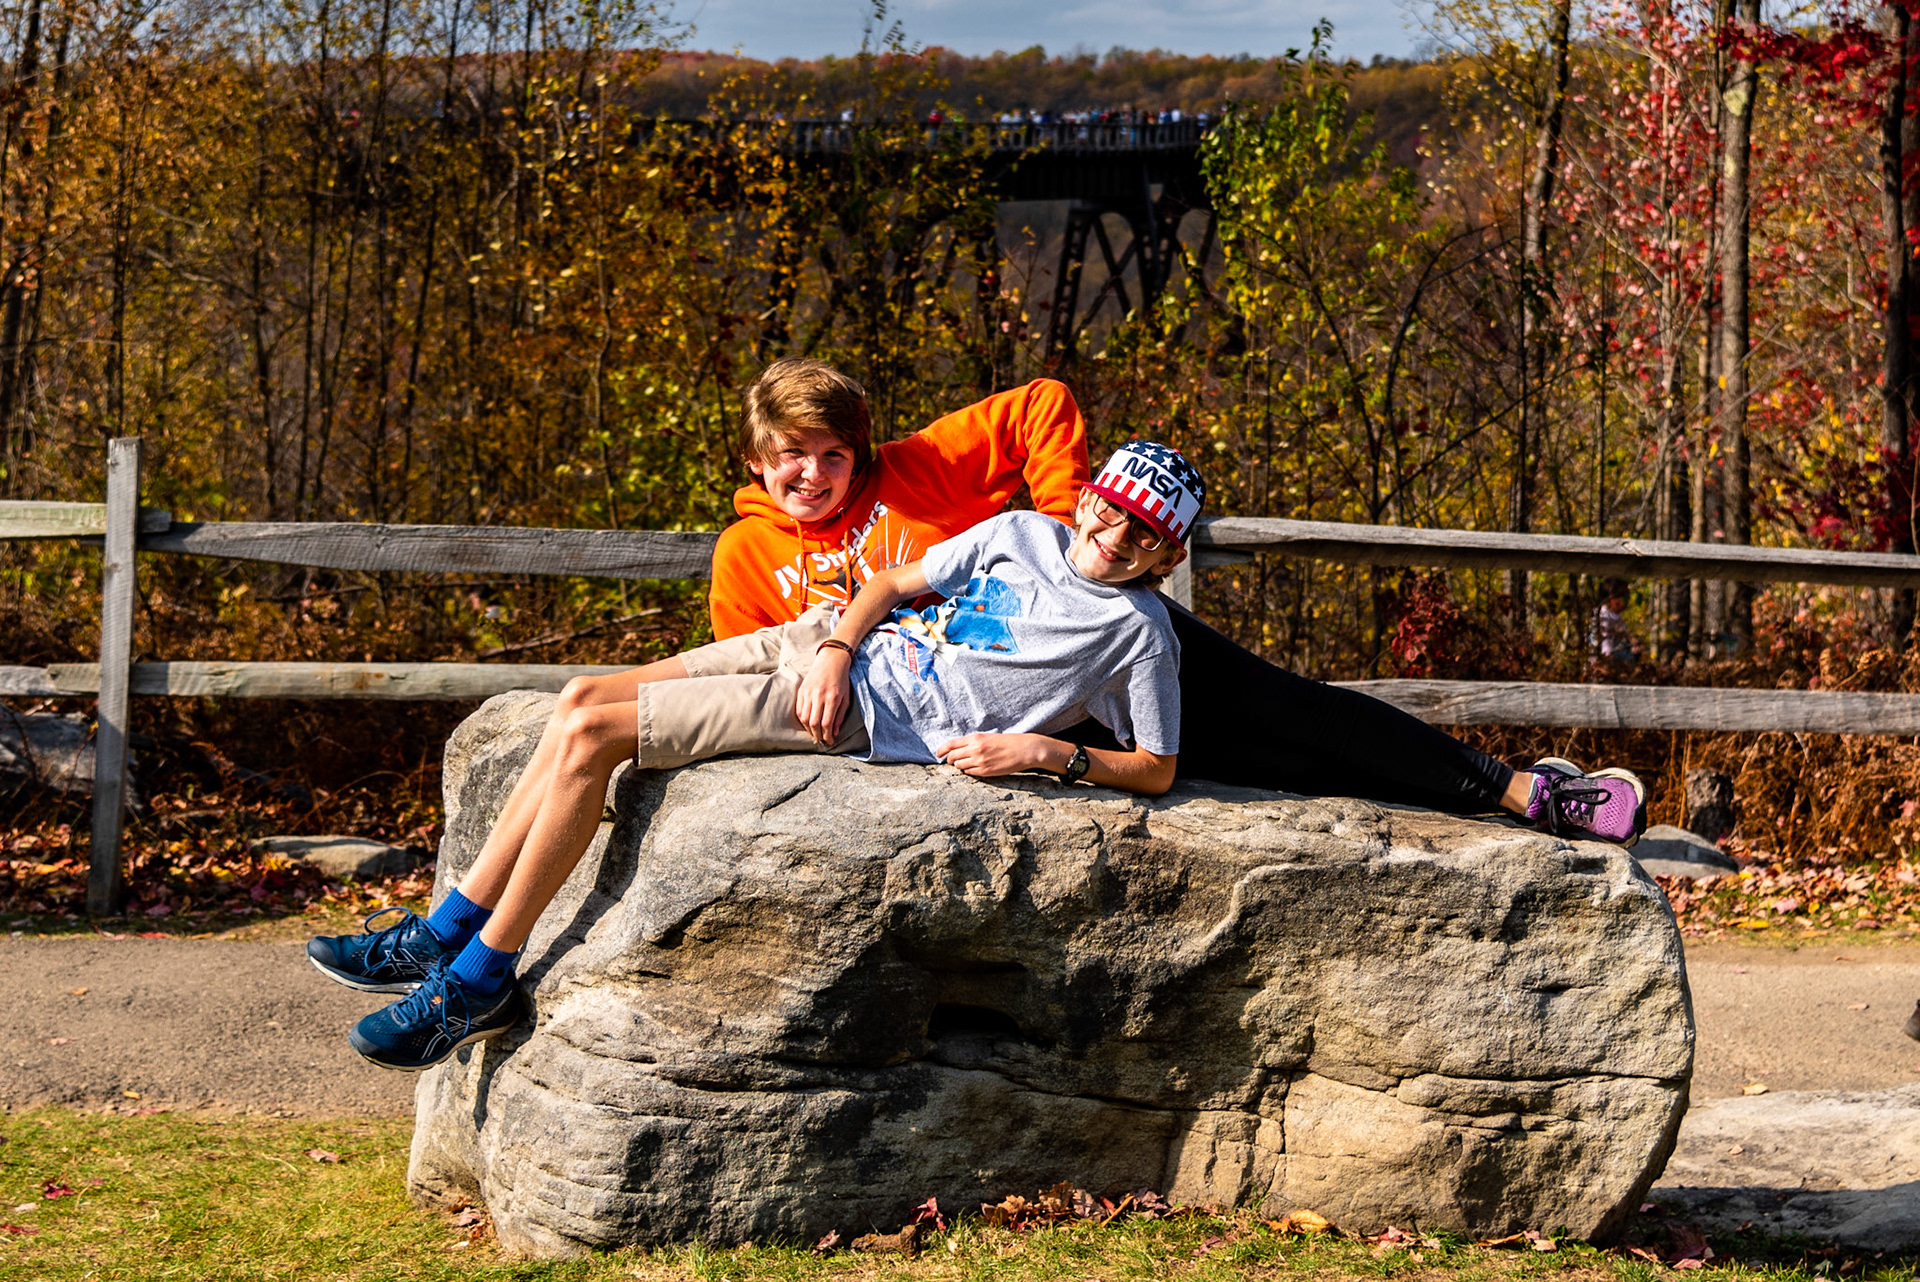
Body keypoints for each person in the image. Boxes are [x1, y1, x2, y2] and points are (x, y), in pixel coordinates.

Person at [309, 441, 1203, 1071]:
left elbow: (1156, 766)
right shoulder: (1024, 533)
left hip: (870, 713)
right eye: (1112, 513)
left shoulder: (1141, 633)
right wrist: (836, 647)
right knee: (579, 696)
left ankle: (478, 981)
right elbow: (890, 584)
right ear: (1090, 497)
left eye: (1144, 537)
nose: (1116, 540)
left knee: (592, 736)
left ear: (1167, 553)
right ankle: (439, 934)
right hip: (834, 646)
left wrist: (1048, 751)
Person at [706, 359, 1647, 846]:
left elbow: (1042, 403)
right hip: (988, 712)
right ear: (758, 460)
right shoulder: (747, 554)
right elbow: (778, 676)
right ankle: (1489, 798)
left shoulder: (914, 470)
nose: (814, 474)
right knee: (1272, 767)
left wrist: (1071, 552)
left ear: (859, 449)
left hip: (1108, 632)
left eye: (833, 453)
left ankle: (1521, 790)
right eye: (792, 454)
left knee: (1291, 710)